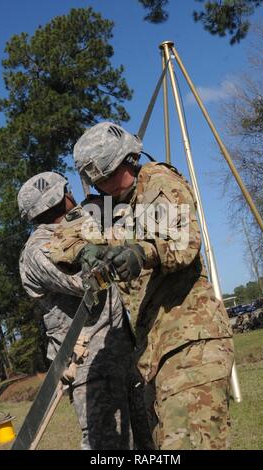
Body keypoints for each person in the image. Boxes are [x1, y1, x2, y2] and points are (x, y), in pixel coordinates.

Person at [50, 122, 234, 450]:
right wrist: (84, 250)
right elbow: (61, 236)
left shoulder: (158, 183)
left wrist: (141, 252)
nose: (101, 185)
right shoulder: (110, 206)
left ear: (127, 162)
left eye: (105, 176)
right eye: (95, 180)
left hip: (192, 344)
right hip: (154, 355)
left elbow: (184, 240)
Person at [17, 171, 152, 450]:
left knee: (147, 443)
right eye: (68, 191)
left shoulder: (80, 228)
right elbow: (91, 280)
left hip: (124, 354)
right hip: (91, 367)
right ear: (62, 196)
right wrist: (107, 229)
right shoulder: (38, 249)